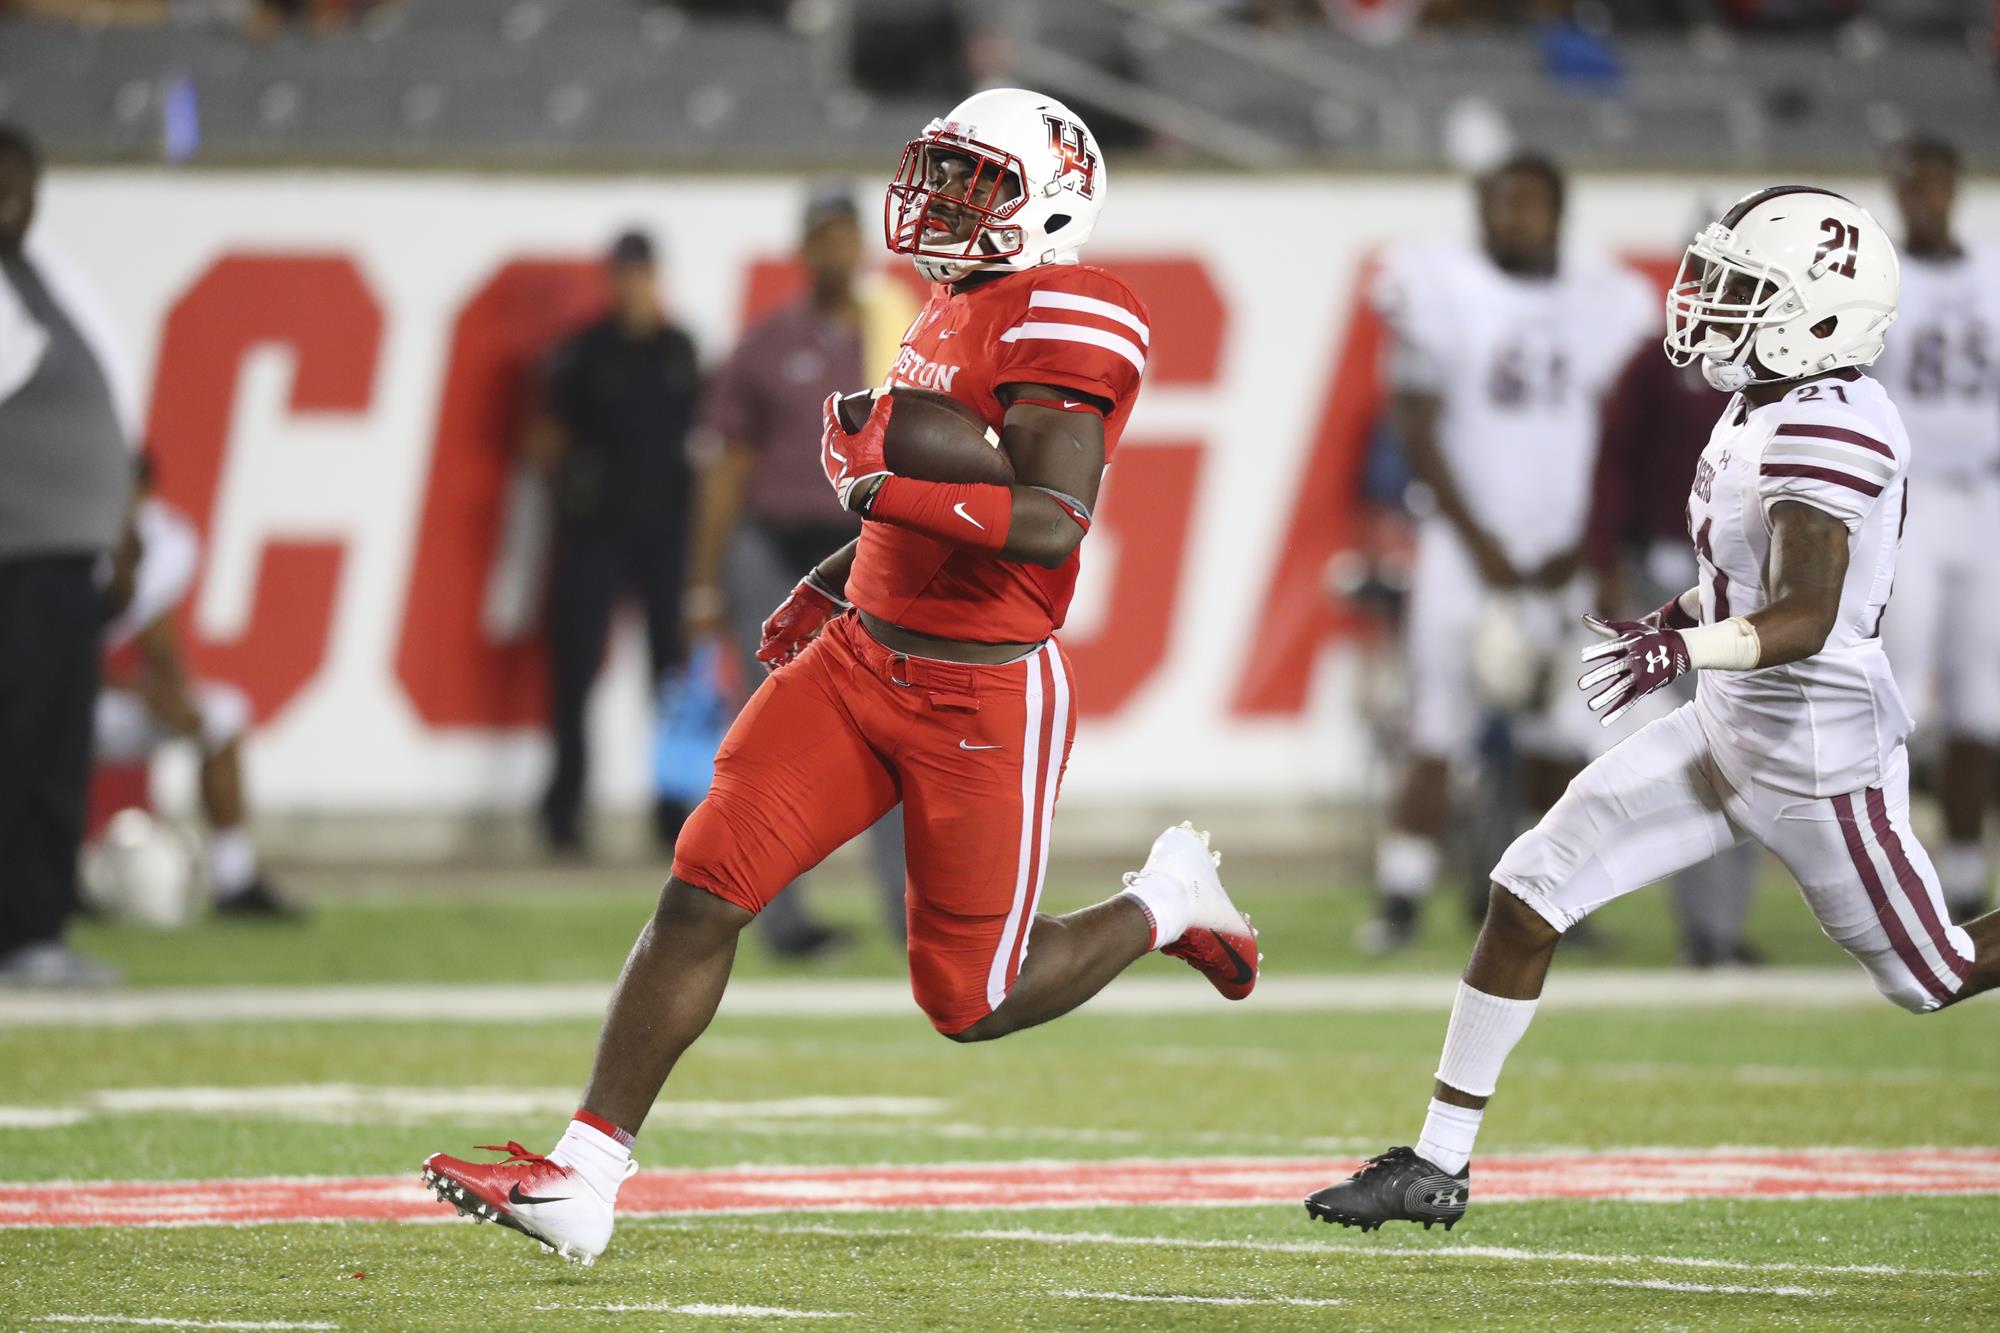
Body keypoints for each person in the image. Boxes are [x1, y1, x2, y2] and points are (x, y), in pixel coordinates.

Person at [420, 88, 1259, 1265]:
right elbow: (918, 498)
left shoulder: (1074, 308)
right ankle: (586, 1174)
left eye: (978, 183)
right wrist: (837, 571)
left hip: (982, 694)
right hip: (862, 658)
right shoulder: (954, 300)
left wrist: (877, 490)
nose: (943, 200)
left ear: (1054, 203)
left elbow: (1049, 519)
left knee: (970, 1000)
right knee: (704, 885)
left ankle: (1167, 898)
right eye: (944, 171)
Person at [1307, 186, 2000, 1234]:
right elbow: (1738, 581)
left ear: (1819, 313)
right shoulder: (1760, 402)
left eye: (1743, 290)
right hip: (1728, 726)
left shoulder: (1826, 423)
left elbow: (1805, 612)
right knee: (1525, 889)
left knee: (1930, 974)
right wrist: (1666, 618)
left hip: (1817, 754)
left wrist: (1682, 642)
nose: (1710, 304)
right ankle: (1433, 1163)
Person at [1360, 152, 1653, 953]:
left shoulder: (1608, 299)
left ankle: (1546, 898)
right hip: (1466, 542)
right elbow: (1414, 423)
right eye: (1502, 204)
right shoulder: (1441, 286)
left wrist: (1590, 539)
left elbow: (1624, 437)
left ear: (1561, 211)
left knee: (1561, 733)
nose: (1516, 219)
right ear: (1480, 211)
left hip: (1564, 545)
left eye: (1531, 204)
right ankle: (1401, 898)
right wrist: (1478, 537)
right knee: (1438, 723)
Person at [685, 184, 911, 958]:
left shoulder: (896, 335)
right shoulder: (767, 344)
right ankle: (778, 920)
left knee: (894, 731)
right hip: (772, 546)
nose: (837, 252)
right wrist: (703, 579)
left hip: (862, 552)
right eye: (823, 237)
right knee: (769, 736)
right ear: (803, 250)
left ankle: (915, 913)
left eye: (847, 235)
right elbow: (725, 466)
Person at [0, 124, 134, 986]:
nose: (16, 197)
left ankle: (35, 929)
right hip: (14, 555)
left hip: (65, 553)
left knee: (53, 748)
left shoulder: (45, 273)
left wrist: (112, 518)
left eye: (25, 181)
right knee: (15, 747)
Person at [1586, 340, 1764, 966]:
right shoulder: (1654, 363)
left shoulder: (1801, 365)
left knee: (1746, 754)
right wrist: (1607, 561)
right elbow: (1613, 459)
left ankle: (1723, 924)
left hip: (1755, 581)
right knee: (1694, 753)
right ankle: (1705, 926)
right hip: (1666, 574)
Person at [532, 229, 700, 853]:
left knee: (673, 679)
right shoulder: (582, 353)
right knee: (574, 669)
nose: (635, 287)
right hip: (596, 531)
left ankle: (674, 809)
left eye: (644, 274)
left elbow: (704, 443)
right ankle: (564, 807)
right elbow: (546, 440)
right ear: (613, 280)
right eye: (625, 275)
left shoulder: (681, 349)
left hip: (664, 533)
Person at [1870, 136, 2000, 924]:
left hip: (1986, 495)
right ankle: (1893, 861)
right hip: (1907, 497)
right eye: (1909, 186)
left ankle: (1964, 873)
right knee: (1902, 684)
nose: (1923, 199)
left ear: (1955, 188)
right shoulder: (1878, 283)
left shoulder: (1994, 269)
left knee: (1984, 696)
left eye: (1934, 185)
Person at [95, 457, 302, 919]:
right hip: (49, 697)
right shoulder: (61, 534)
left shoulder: (165, 541)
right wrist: (136, 689)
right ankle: (51, 881)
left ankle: (234, 878)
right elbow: (38, 653)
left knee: (221, 714)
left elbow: (156, 627)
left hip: (107, 699)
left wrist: (172, 694)